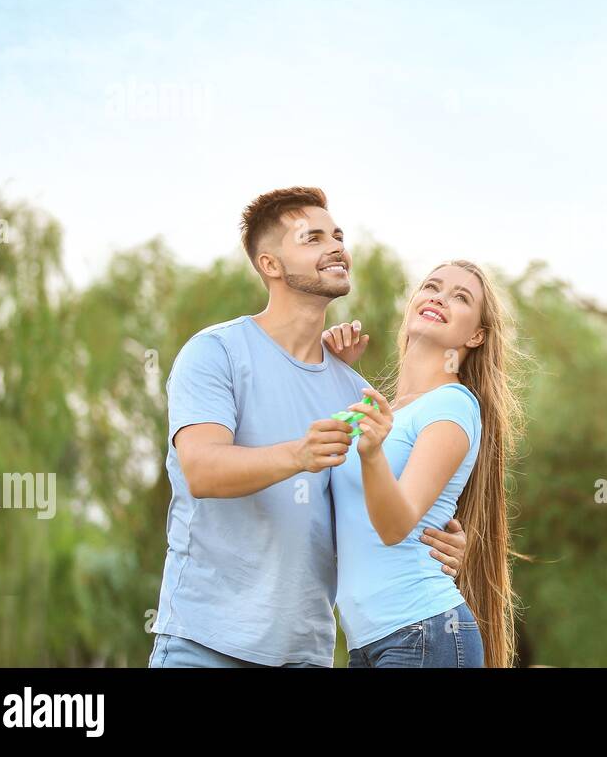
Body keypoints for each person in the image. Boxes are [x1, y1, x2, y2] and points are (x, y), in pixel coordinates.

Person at [148, 186, 466, 668]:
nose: (336, 246)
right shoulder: (216, 353)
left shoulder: (354, 394)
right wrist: (298, 454)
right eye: (312, 238)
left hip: (304, 654)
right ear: (271, 265)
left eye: (337, 235)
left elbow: (372, 510)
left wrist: (436, 542)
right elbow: (201, 470)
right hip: (203, 642)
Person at [323, 260, 520, 667]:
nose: (439, 297)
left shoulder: (452, 404)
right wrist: (330, 367)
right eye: (432, 286)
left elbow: (396, 526)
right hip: (367, 641)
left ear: (477, 335)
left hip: (422, 629)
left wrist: (373, 454)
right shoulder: (380, 413)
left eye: (460, 297)